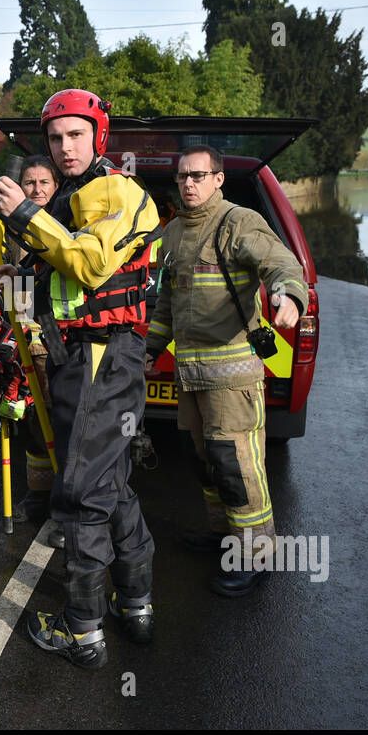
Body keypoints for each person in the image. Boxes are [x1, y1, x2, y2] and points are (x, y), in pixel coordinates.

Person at [0, 88, 160, 669]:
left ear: (99, 137)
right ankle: (135, 603)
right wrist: (20, 269)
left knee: (82, 493)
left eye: (76, 136)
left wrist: (23, 215)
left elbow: (90, 264)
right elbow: (63, 275)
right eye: (56, 138)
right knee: (110, 484)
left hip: (101, 359)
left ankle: (82, 629)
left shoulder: (119, 191)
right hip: (78, 358)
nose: (65, 147)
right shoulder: (72, 198)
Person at [144, 145, 306, 596]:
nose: (189, 183)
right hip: (191, 379)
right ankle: (224, 537)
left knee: (237, 468)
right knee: (205, 461)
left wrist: (289, 296)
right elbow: (167, 305)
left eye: (199, 175)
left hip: (232, 380)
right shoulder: (173, 233)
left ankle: (254, 555)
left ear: (218, 179)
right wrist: (150, 348)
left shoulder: (239, 223)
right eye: (182, 177)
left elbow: (281, 263)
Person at [0, 156, 63, 548]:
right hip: (19, 342)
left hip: (55, 343)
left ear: (57, 184)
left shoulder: (63, 224)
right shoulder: (10, 228)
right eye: (29, 182)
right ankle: (39, 494)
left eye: (44, 182)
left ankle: (65, 503)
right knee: (30, 422)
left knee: (61, 422)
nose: (37, 189)